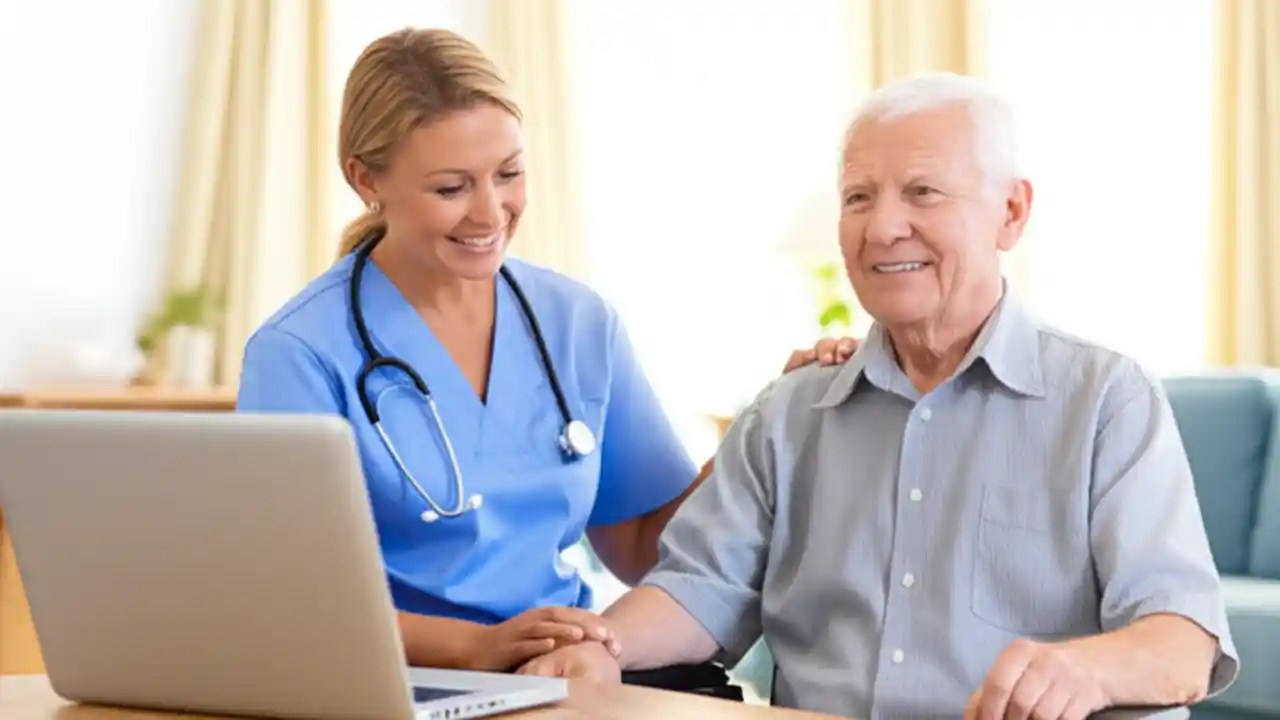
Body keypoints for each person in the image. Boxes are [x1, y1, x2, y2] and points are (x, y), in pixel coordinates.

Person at [517, 73, 1240, 719]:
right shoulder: (787, 415)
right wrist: (602, 645)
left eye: (923, 192)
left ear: (1012, 212)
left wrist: (1086, 669)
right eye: (859, 197)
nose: (884, 226)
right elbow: (698, 588)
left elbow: (1184, 643)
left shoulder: (1105, 400)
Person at [234, 27, 854, 675]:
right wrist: (480, 647)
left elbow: (645, 549)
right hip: (392, 686)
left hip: (559, 676)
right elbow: (291, 604)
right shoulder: (300, 354)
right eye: (451, 188)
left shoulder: (576, 322)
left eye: (508, 174)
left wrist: (769, 418)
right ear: (365, 179)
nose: (490, 213)